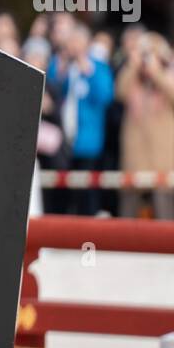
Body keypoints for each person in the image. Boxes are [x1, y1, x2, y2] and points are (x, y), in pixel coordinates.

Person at [116, 31, 174, 220]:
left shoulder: (169, 76)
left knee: (165, 215)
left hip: (162, 164)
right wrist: (133, 65)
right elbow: (120, 91)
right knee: (128, 215)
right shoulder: (133, 81)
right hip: (135, 163)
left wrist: (156, 73)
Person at [49, 23, 114, 215]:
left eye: (78, 41)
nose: (74, 46)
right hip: (63, 143)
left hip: (87, 142)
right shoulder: (61, 65)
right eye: (71, 42)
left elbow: (105, 97)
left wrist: (89, 72)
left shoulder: (98, 67)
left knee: (86, 195)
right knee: (62, 196)